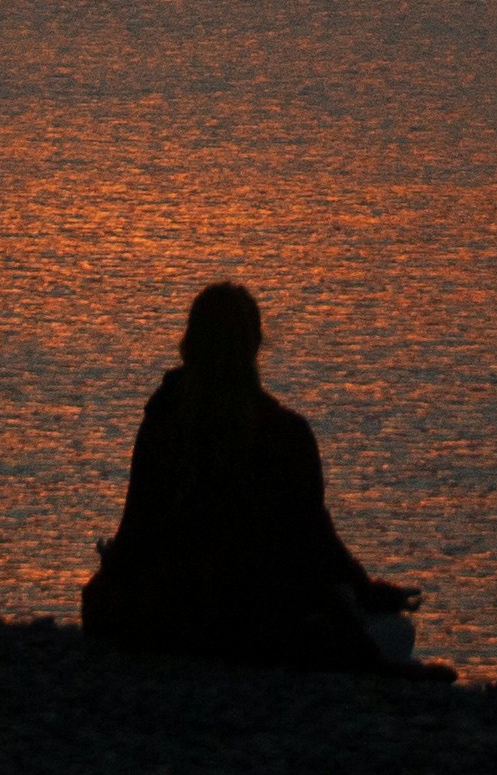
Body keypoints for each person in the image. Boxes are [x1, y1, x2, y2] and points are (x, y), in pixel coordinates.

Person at [79, 281, 430, 672]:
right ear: (256, 345)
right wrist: (365, 593)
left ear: (188, 344)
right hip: (253, 616)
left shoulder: (162, 423)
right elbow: (317, 545)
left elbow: (134, 533)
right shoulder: (286, 434)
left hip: (172, 612)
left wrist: (112, 580)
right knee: (393, 630)